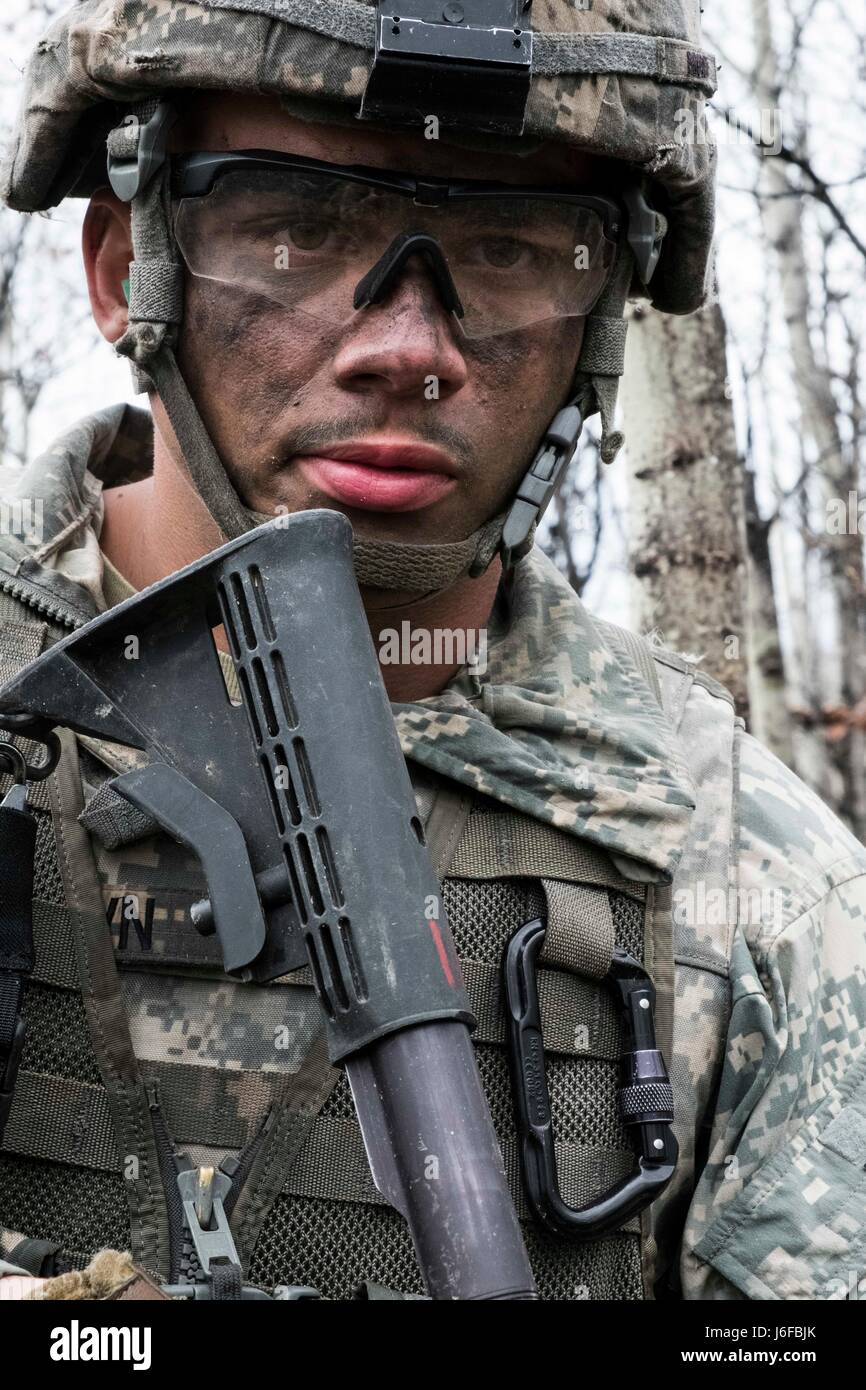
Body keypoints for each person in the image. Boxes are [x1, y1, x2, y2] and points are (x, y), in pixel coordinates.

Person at [0, 0, 863, 1303]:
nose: (410, 345)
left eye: (508, 251)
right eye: (297, 233)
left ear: (601, 323)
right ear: (129, 270)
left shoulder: (756, 884)